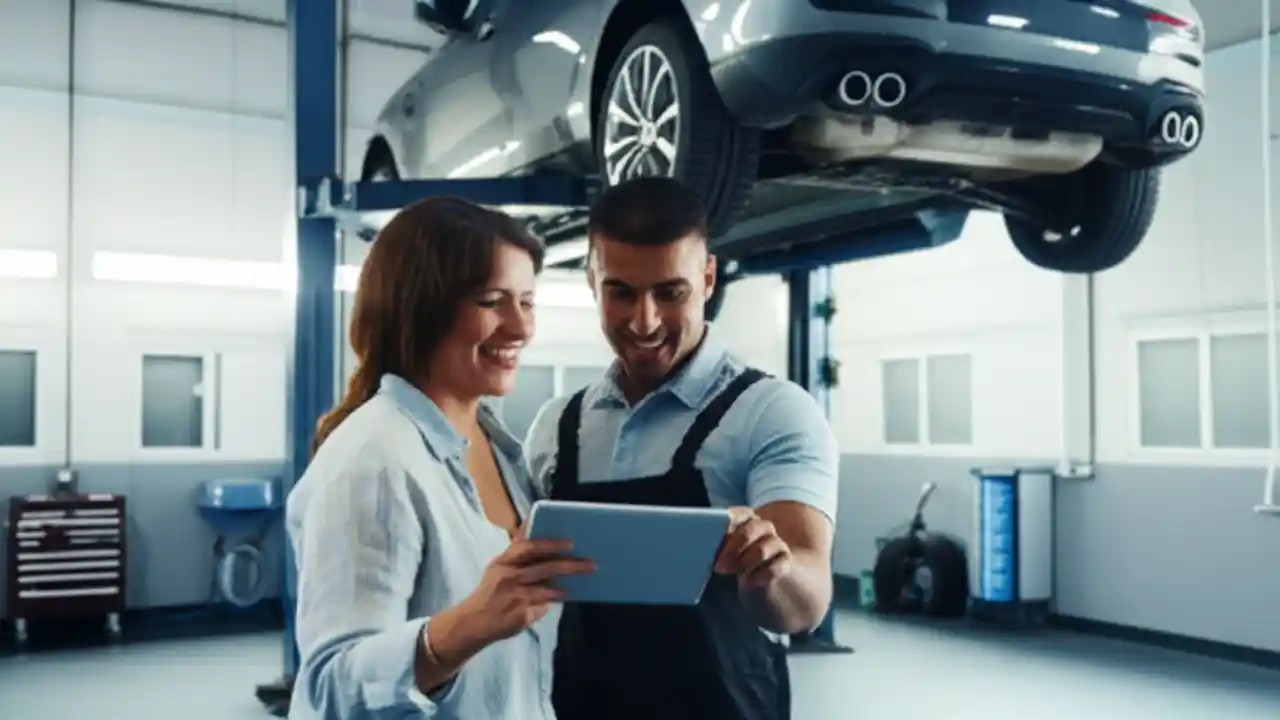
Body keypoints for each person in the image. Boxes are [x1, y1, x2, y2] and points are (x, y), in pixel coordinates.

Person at [524, 176, 841, 720]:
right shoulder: (556, 426)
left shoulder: (772, 411)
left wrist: (774, 572)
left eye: (670, 293)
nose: (644, 322)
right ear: (591, 280)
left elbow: (807, 603)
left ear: (708, 277)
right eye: (621, 292)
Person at [285, 196, 595, 720]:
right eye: (492, 300)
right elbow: (332, 688)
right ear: (422, 306)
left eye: (527, 302)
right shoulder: (375, 459)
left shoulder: (499, 449)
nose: (520, 329)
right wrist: (466, 625)